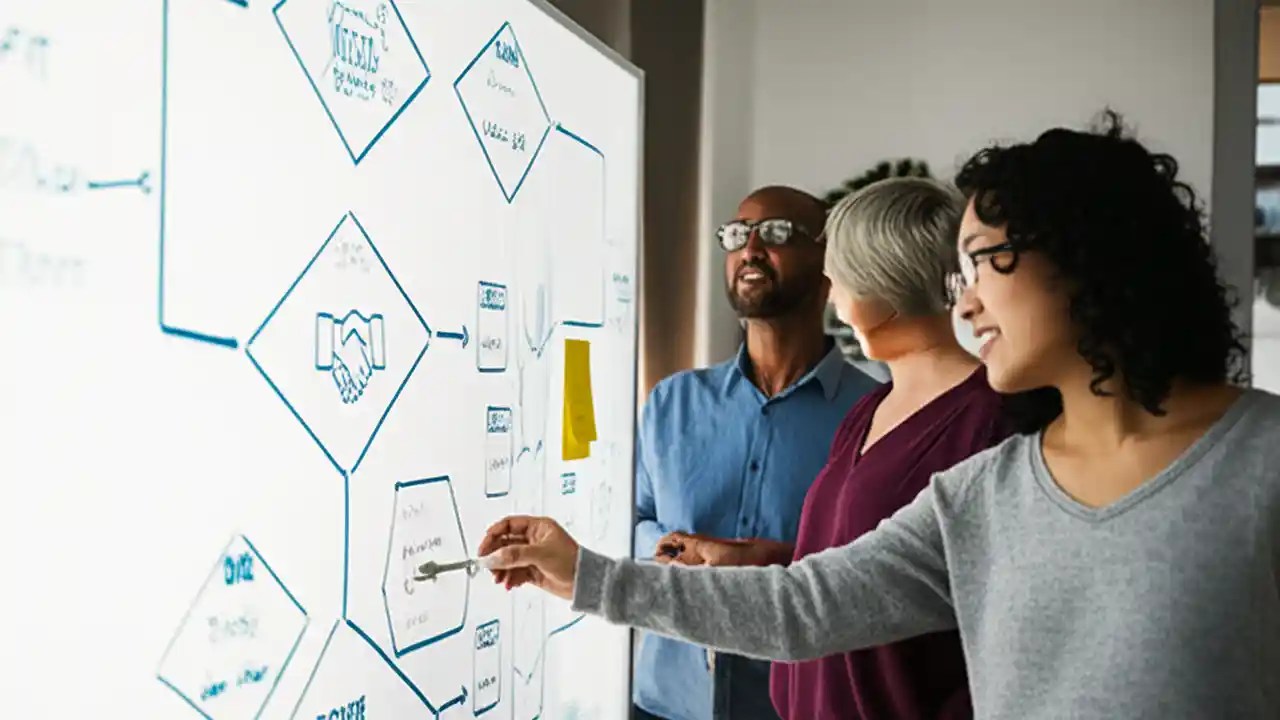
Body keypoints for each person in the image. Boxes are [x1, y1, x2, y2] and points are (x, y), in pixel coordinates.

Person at [480, 112, 1280, 719]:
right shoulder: (983, 492)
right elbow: (801, 608)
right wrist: (584, 573)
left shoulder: (1261, 463)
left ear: (1081, 253)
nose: (962, 298)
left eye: (983, 263)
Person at [655, 176, 1013, 719]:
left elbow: (993, 618)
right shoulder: (866, 415)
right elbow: (863, 575)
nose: (835, 296)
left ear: (880, 282)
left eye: (838, 275)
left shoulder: (989, 423)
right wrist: (768, 561)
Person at [629, 185, 880, 720]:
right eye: (739, 234)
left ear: (827, 260)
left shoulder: (875, 414)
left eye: (778, 233)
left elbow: (881, 570)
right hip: (667, 704)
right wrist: (675, 553)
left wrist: (768, 563)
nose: (751, 249)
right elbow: (631, 521)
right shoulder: (672, 402)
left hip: (801, 706)